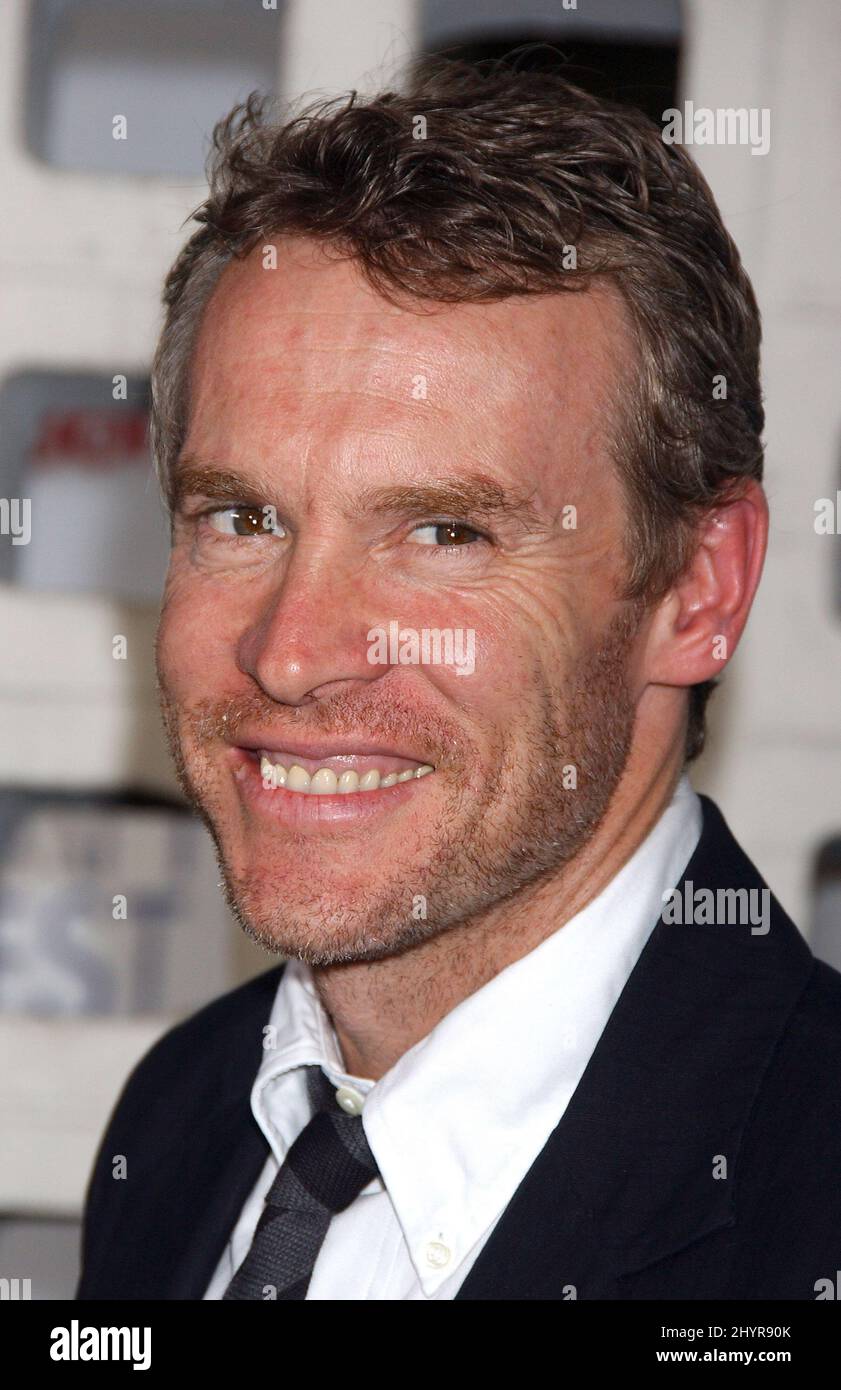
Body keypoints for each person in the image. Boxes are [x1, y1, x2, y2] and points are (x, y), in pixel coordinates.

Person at [76, 58, 841, 1301]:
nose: (291, 650)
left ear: (696, 589)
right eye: (241, 516)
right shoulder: (181, 1118)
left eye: (443, 533)